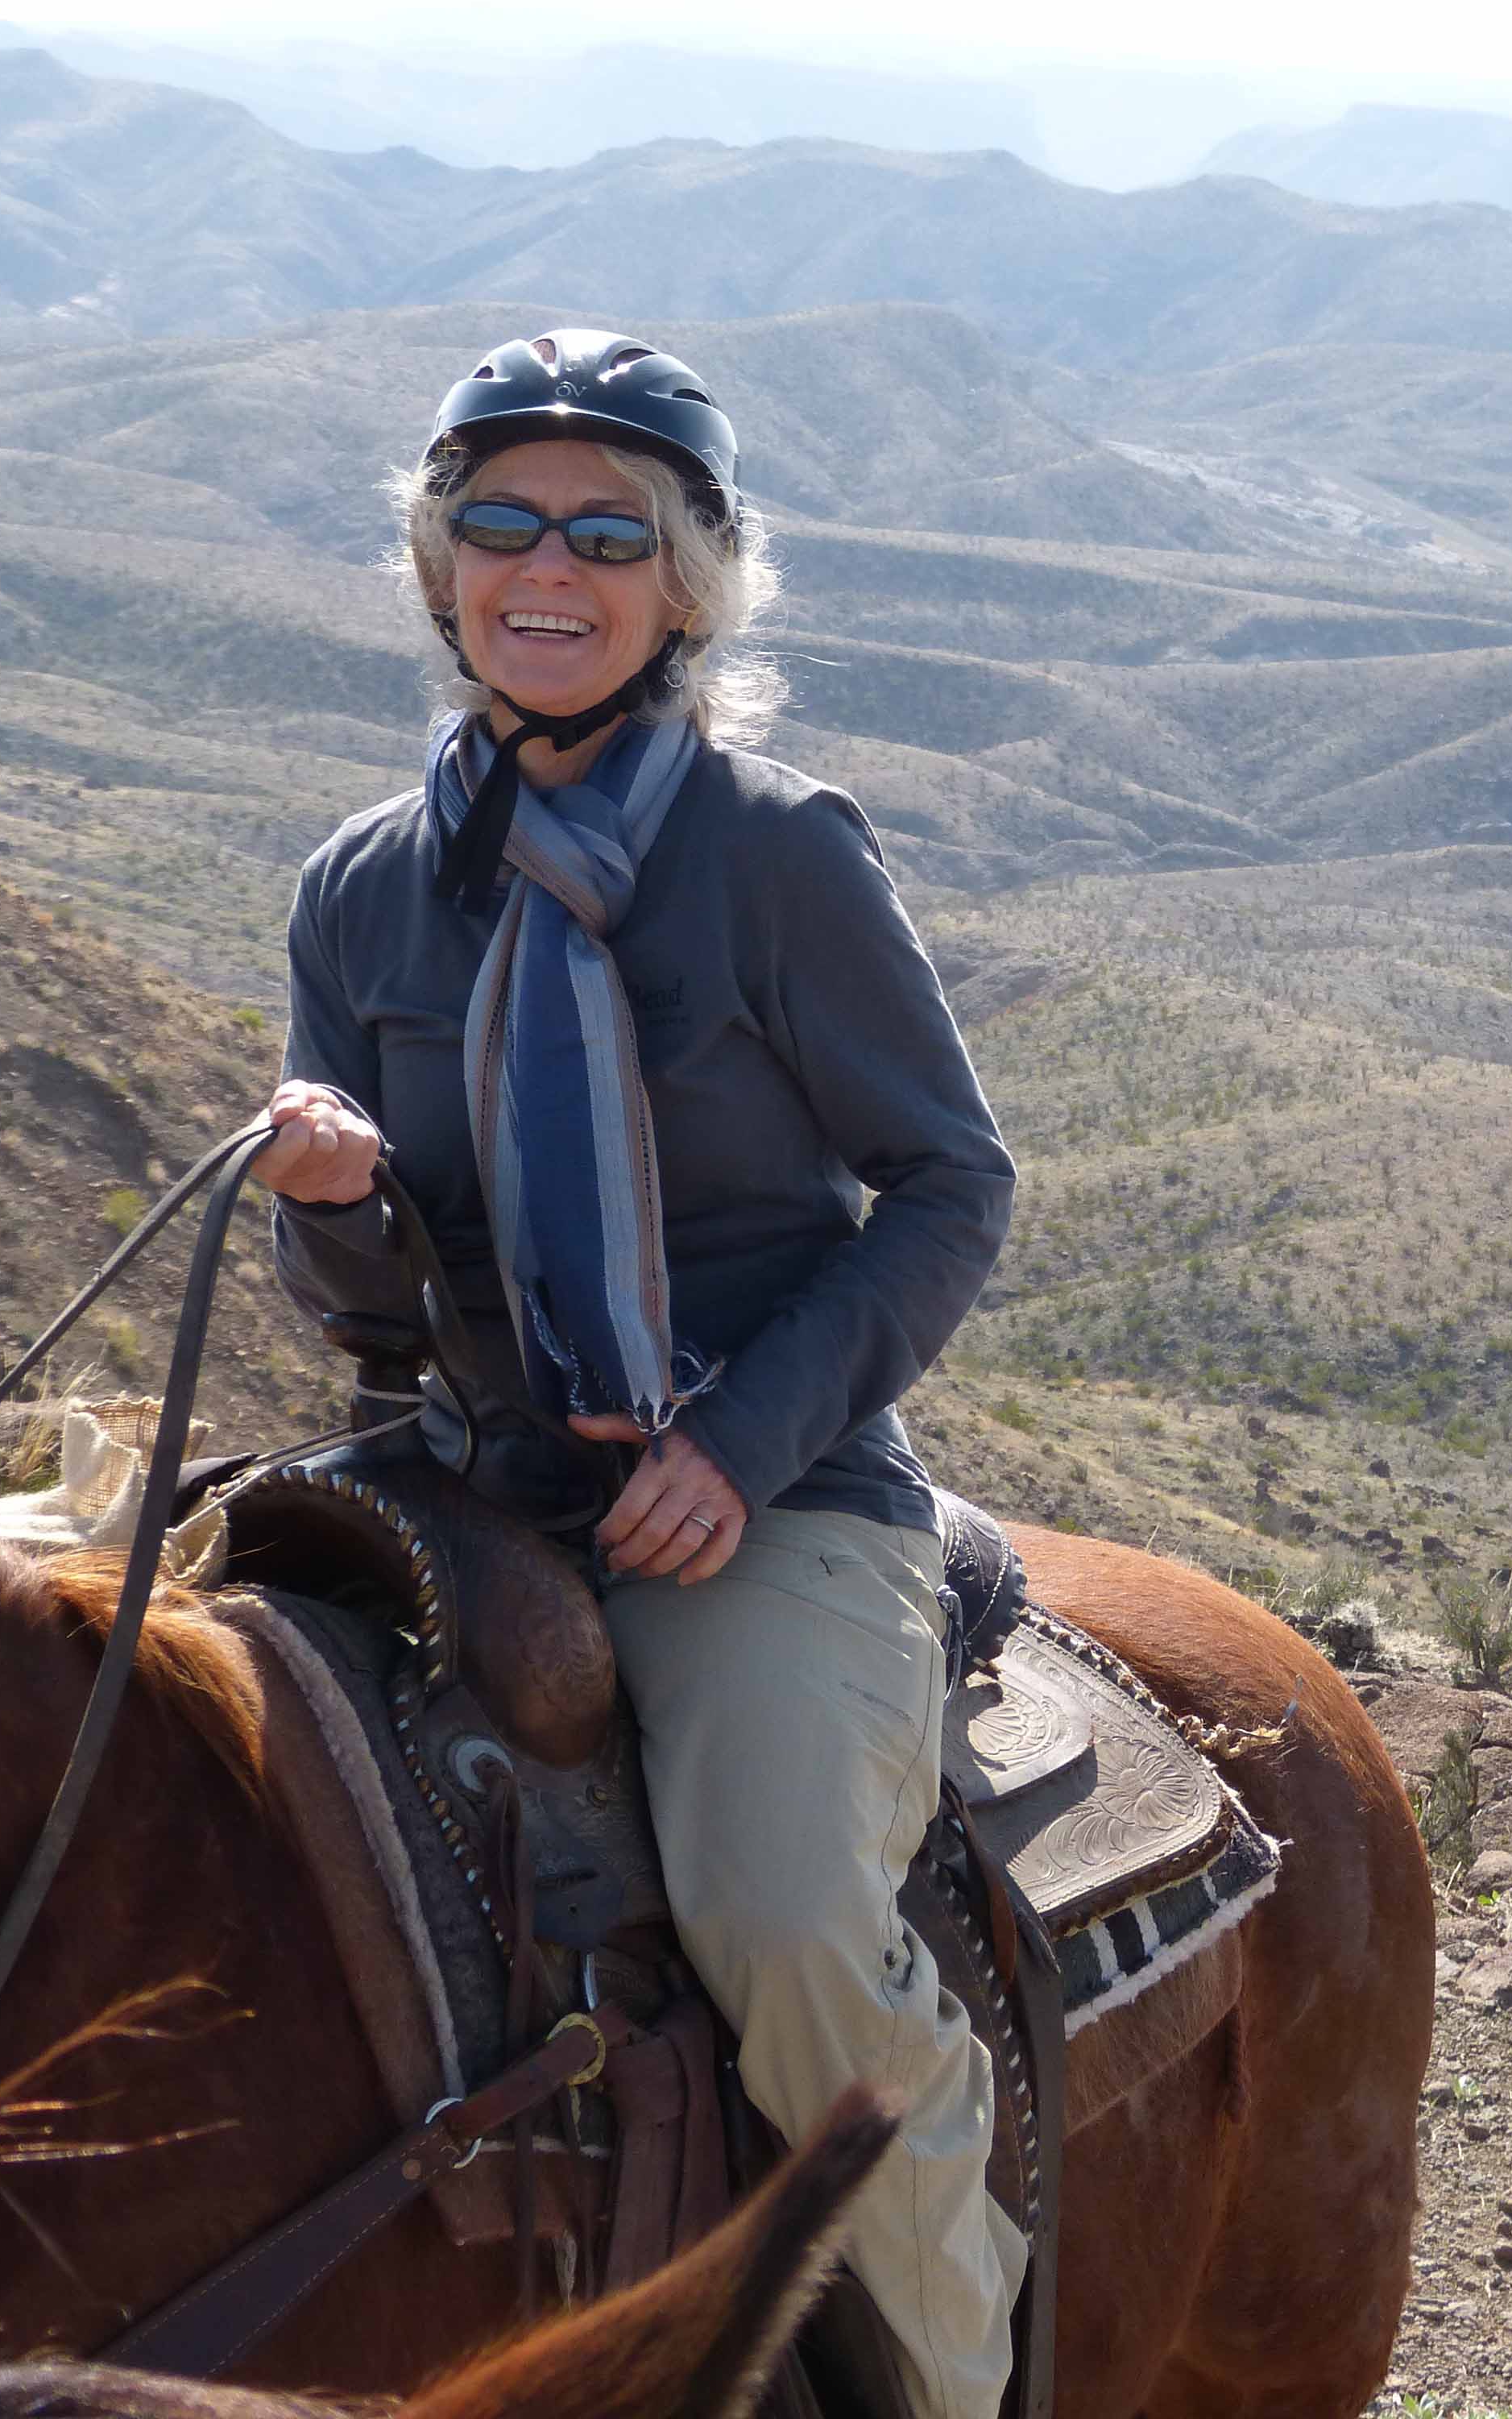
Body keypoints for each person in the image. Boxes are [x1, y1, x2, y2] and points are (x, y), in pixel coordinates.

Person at [254, 329, 1023, 2419]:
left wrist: (745, 1444)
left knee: (780, 1915)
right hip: (463, 1466)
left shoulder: (778, 856)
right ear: (439, 565)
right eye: (498, 520)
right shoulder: (361, 890)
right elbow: (370, 1309)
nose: (548, 568)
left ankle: (953, 2376)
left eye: (613, 531)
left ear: (688, 583)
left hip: (760, 1493)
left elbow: (951, 1185)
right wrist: (331, 1200)